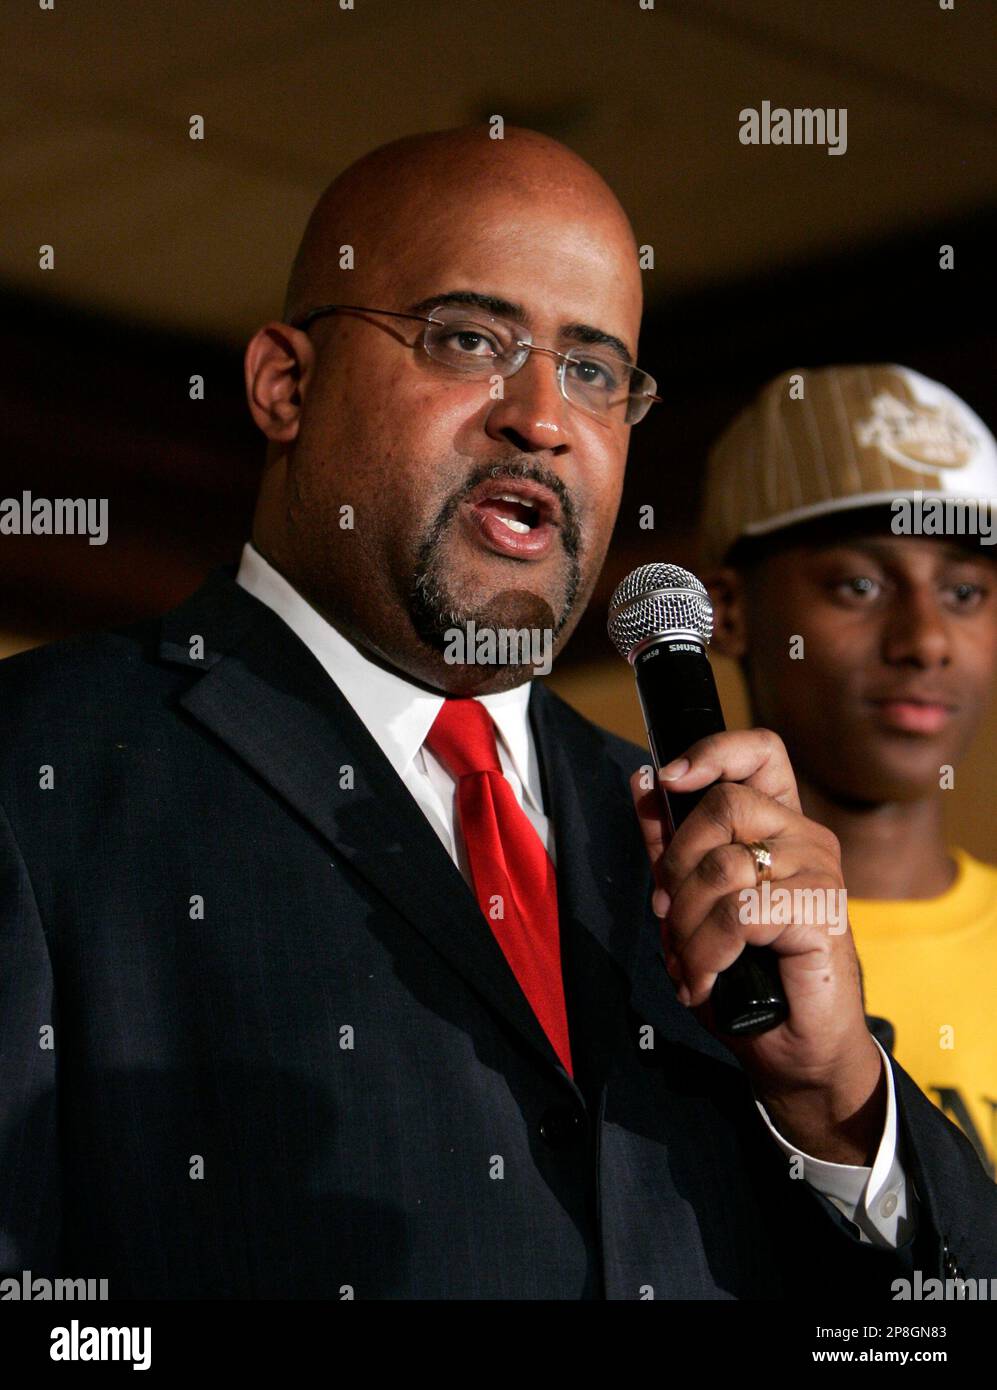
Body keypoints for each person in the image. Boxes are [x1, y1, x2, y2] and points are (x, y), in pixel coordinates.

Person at [1, 128, 994, 1301]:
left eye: (593, 370)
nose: (541, 417)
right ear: (286, 383)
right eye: (468, 338)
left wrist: (834, 1103)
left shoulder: (697, 835)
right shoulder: (42, 766)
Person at [699, 364, 997, 1179]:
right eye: (860, 584)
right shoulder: (679, 945)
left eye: (965, 592)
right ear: (729, 609)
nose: (925, 640)